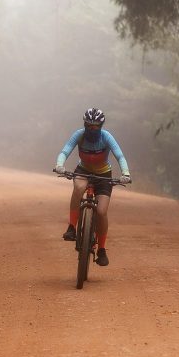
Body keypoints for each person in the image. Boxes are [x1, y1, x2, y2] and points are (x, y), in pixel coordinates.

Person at [53, 108, 131, 266]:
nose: (92, 129)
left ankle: (101, 250)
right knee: (79, 188)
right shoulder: (79, 135)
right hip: (83, 171)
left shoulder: (106, 137)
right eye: (89, 125)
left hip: (104, 175)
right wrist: (60, 165)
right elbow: (65, 150)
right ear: (84, 124)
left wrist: (126, 174)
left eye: (95, 126)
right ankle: (71, 228)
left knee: (102, 211)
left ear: (101, 126)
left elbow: (119, 155)